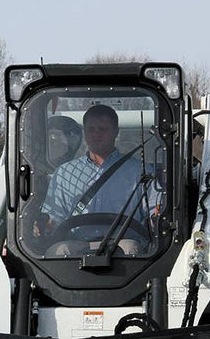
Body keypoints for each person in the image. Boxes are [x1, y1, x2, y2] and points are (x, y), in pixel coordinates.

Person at [39, 104, 154, 256]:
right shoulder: (64, 173)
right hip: (76, 245)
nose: (96, 134)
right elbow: (55, 218)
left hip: (123, 243)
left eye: (102, 129)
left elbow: (154, 214)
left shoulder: (140, 171)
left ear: (116, 132)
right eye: (91, 129)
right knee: (57, 252)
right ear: (84, 133)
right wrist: (46, 225)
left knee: (131, 249)